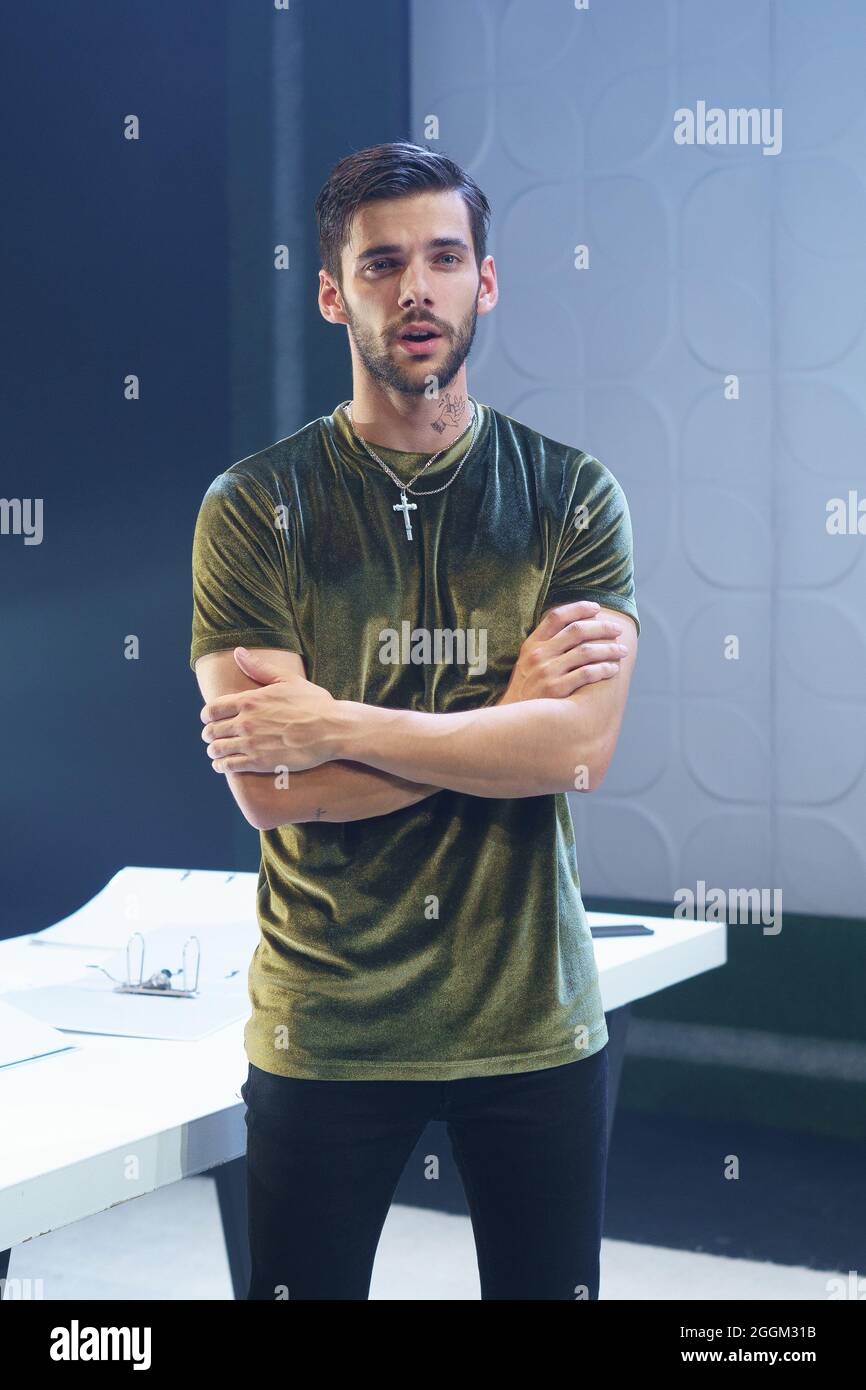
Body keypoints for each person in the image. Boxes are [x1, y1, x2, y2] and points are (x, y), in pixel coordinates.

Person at [189, 142, 640, 1300]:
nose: (415, 289)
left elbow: (574, 752)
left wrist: (333, 722)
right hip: (327, 1025)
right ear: (331, 294)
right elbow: (274, 790)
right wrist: (504, 724)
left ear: (483, 281)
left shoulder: (571, 495)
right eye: (381, 264)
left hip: (532, 1021)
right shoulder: (253, 507)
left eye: (443, 258)